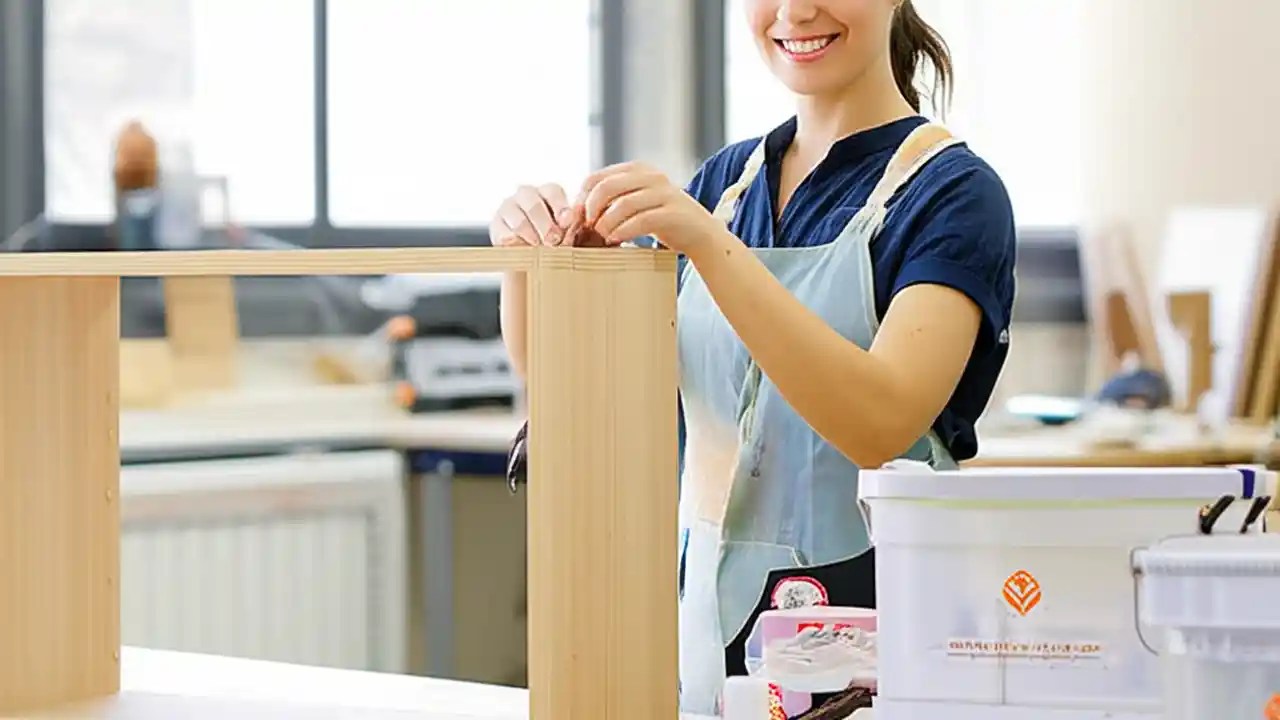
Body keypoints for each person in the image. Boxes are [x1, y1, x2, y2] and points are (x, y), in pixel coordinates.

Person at [492, 0, 1016, 713]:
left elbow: (880, 422)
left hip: (872, 630)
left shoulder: (954, 195)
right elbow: (572, 399)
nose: (796, 11)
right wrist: (532, 268)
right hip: (703, 620)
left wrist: (709, 248)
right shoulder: (724, 186)